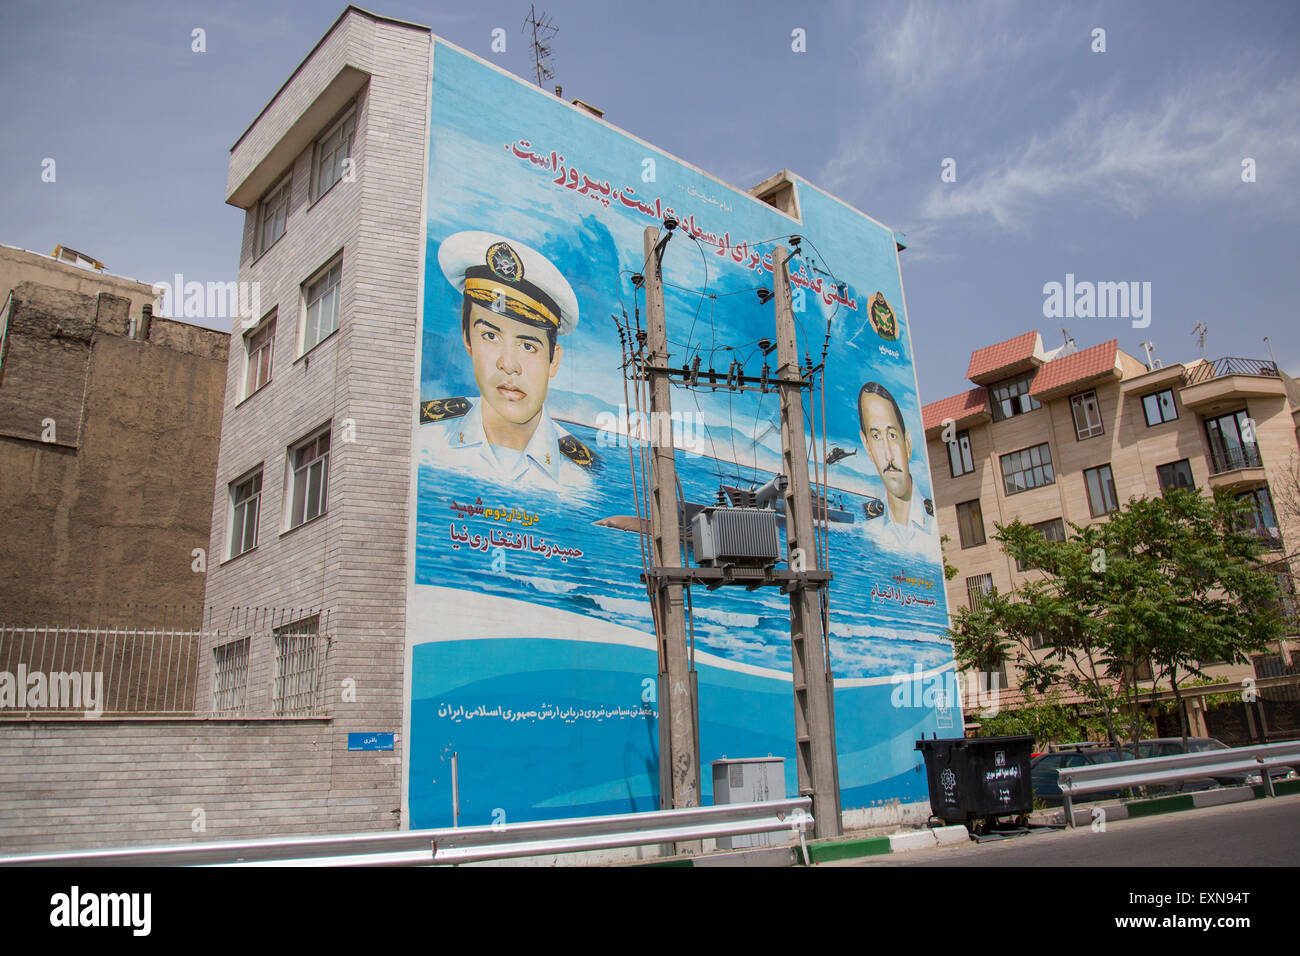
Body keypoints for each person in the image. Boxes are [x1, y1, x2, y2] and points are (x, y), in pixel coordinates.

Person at [419, 231, 596, 490]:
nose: (509, 364)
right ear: (467, 338)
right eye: (490, 335)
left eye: (528, 345)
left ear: (553, 360)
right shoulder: (425, 435)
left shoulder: (584, 475)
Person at [857, 381, 934, 548]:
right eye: (876, 436)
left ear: (907, 443)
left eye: (892, 435)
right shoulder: (865, 526)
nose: (888, 455)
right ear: (867, 447)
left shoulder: (934, 523)